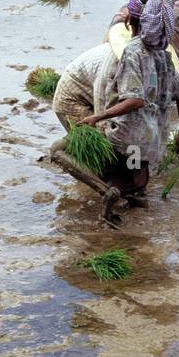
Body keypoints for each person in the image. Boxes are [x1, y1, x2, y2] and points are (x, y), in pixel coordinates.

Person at [81, 0, 179, 211]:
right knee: (140, 177)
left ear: (131, 22)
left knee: (122, 174)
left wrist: (98, 116)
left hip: (130, 135)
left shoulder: (132, 51)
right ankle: (131, 199)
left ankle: (115, 193)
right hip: (153, 137)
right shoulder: (164, 55)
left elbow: (135, 101)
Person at [49, 38, 127, 222]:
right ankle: (106, 191)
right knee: (99, 145)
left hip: (94, 99)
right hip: (72, 100)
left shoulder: (139, 58)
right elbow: (102, 115)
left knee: (120, 149)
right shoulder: (111, 66)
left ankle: (118, 180)